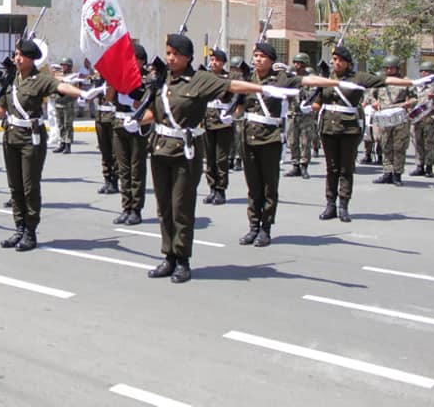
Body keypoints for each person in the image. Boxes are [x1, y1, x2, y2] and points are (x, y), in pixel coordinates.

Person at [124, 34, 318, 283]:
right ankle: (168, 256)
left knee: (181, 207)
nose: (170, 58)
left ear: (187, 56)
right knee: (164, 208)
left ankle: (182, 260)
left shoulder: (200, 80)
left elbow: (232, 86)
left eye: (175, 54)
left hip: (185, 151)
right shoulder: (161, 79)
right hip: (160, 149)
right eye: (168, 53)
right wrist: (137, 120)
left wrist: (263, 88)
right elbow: (156, 111)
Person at [0, 39, 90, 251]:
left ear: (31, 59)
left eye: (21, 54)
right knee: (15, 187)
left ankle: (30, 232)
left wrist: (83, 93)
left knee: (30, 186)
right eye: (16, 53)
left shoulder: (40, 79)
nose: (17, 57)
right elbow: (2, 109)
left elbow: (61, 86)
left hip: (30, 138)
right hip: (11, 136)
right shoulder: (11, 80)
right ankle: (19, 228)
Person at [235, 43, 345, 247]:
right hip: (248, 137)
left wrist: (336, 83)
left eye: (262, 56)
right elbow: (240, 105)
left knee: (269, 187)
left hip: (269, 138)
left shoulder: (282, 79)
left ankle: (265, 228)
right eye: (255, 55)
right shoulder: (247, 79)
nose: (258, 59)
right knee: (253, 187)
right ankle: (253, 227)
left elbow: (306, 80)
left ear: (271, 59)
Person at [315, 46, 425, 222]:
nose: (337, 63)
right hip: (328, 127)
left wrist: (414, 83)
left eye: (340, 60)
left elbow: (385, 80)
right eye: (334, 60)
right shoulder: (327, 77)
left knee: (346, 168)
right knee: (331, 168)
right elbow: (318, 102)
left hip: (348, 128)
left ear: (349, 63)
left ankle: (343, 205)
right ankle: (330, 205)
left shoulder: (359, 78)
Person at [110, 44, 151, 225]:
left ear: (142, 61)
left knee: (136, 168)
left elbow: (144, 104)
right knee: (123, 169)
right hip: (119, 124)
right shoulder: (119, 76)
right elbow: (109, 97)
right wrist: (112, 79)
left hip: (136, 126)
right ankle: (126, 207)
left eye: (135, 59)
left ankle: (136, 209)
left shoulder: (147, 80)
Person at [370, 55, 416, 186]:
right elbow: (371, 96)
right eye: (386, 68)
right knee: (385, 145)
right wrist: (374, 102)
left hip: (400, 116)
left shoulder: (405, 81)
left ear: (397, 68)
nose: (389, 70)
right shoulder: (380, 81)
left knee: (399, 147)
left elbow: (414, 98)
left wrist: (408, 104)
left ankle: (397, 174)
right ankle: (387, 173)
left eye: (391, 68)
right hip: (384, 116)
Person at [202, 49, 237, 205]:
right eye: (212, 59)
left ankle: (221, 189)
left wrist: (232, 115)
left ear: (223, 62)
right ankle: (212, 188)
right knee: (209, 158)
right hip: (207, 121)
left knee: (221, 158)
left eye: (216, 60)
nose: (213, 62)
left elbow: (236, 100)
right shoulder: (205, 77)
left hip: (222, 122)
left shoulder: (229, 78)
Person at [285, 53, 317, 179]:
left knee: (305, 141)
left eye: (299, 63)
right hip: (292, 113)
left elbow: (313, 94)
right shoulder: (291, 78)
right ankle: (295, 165)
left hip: (305, 115)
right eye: (295, 62)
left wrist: (301, 89)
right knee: (292, 141)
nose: (297, 65)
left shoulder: (310, 79)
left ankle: (304, 166)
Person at [90, 66, 118, 194]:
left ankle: (114, 181)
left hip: (112, 118)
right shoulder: (98, 79)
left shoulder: (115, 78)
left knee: (114, 152)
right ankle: (107, 180)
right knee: (104, 151)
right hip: (100, 118)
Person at [410, 61, 434, 177]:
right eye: (421, 71)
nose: (423, 73)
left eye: (426, 71)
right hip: (417, 118)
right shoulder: (417, 85)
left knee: (429, 143)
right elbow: (411, 98)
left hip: (430, 117)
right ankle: (419, 166)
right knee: (417, 142)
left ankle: (429, 167)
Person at [52, 57, 77, 153]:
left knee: (68, 125)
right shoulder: (59, 76)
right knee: (60, 125)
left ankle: (68, 144)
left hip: (68, 104)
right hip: (58, 103)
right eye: (61, 65)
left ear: (69, 66)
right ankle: (62, 143)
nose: (62, 67)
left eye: (64, 65)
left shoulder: (73, 77)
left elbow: (74, 90)